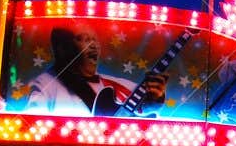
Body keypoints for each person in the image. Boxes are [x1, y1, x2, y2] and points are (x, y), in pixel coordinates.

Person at [21, 26, 167, 115]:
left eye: (94, 40)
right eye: (83, 39)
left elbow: (145, 111)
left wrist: (155, 97)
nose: (93, 46)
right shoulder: (44, 84)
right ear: (62, 48)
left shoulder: (116, 83)